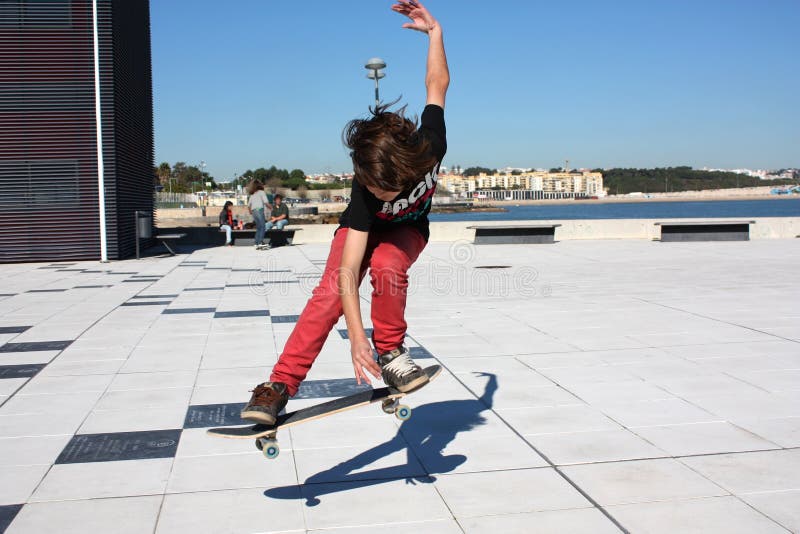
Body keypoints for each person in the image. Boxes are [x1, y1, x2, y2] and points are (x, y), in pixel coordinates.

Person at [241, 0, 449, 425]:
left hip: (409, 230)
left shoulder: (430, 145)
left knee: (390, 263)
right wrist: (356, 337)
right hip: (361, 235)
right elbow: (348, 272)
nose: (374, 193)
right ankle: (279, 385)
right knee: (328, 295)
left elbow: (436, 83)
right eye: (367, 185)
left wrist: (435, 34)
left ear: (405, 169)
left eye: (382, 188)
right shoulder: (363, 196)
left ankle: (391, 352)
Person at [247, 180, 271, 248]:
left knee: (258, 227)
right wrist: (271, 208)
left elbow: (249, 205)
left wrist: (250, 211)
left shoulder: (252, 194)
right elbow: (266, 202)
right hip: (259, 210)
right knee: (263, 226)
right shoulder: (261, 192)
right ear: (259, 185)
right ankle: (260, 242)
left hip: (254, 211)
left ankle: (256, 242)